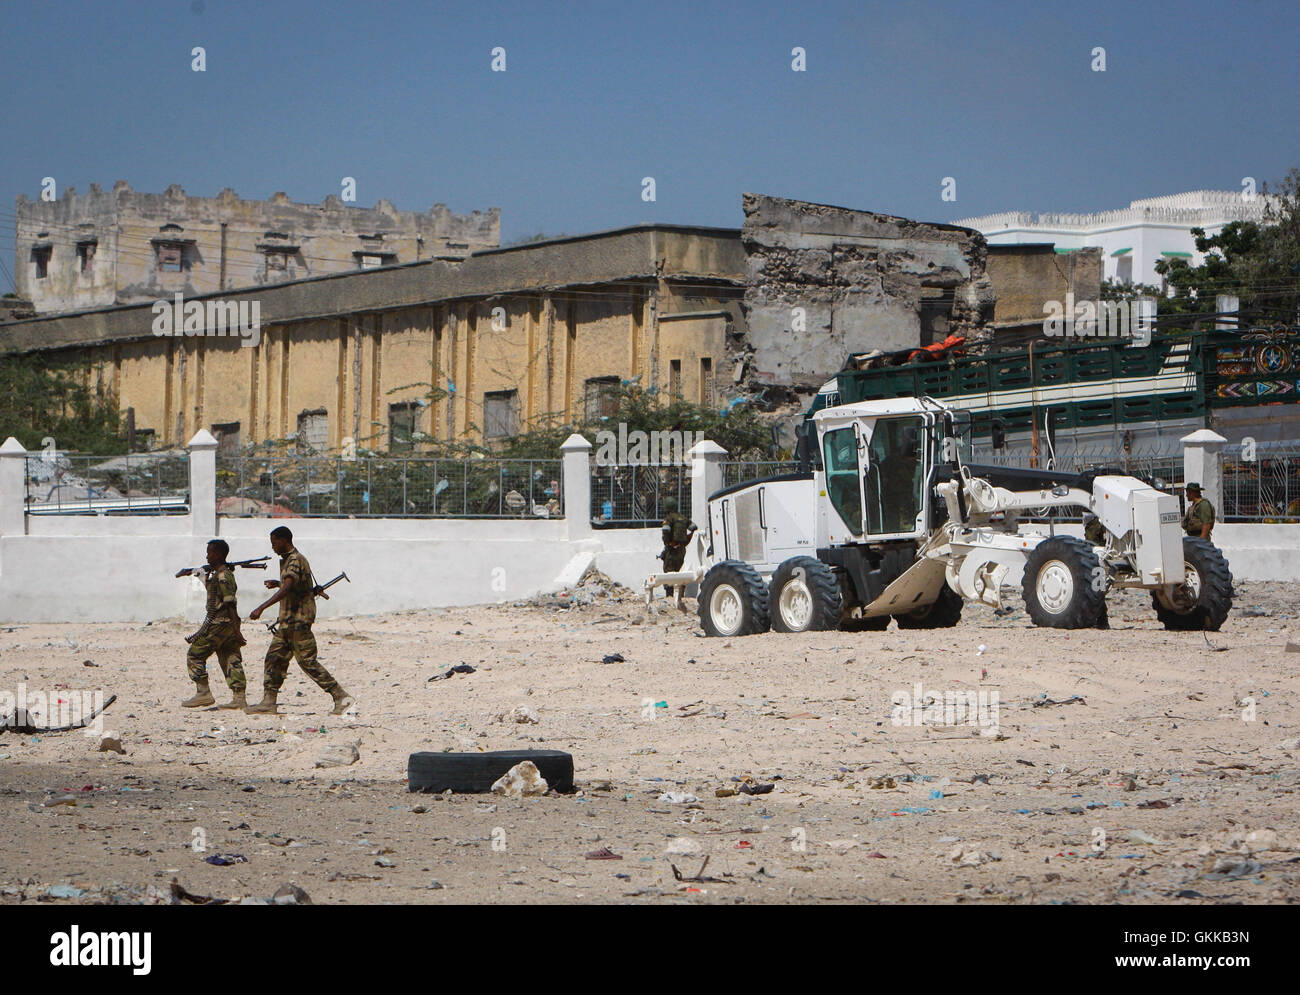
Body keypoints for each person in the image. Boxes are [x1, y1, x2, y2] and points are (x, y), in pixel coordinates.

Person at [246, 526, 353, 715]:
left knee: (307, 662)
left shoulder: (295, 560)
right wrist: (277, 583)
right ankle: (269, 701)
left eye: (274, 543)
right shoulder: (291, 560)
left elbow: (288, 587)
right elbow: (295, 586)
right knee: (274, 660)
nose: (273, 547)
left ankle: (341, 697)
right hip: (288, 621)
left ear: (284, 540)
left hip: (298, 621)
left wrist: (261, 607)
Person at [181, 539, 248, 709]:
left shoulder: (223, 575)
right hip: (226, 624)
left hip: (219, 623)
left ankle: (203, 693)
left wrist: (237, 630)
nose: (207, 555)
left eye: (210, 552)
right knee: (230, 657)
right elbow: (216, 596)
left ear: (218, 555)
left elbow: (230, 603)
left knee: (195, 654)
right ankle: (239, 697)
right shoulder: (221, 574)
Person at [659, 497, 697, 596]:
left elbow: (666, 530)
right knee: (680, 572)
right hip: (681, 550)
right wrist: (687, 540)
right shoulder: (683, 518)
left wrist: (668, 542)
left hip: (671, 551)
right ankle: (680, 595)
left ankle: (670, 596)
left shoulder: (669, 518)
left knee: (669, 573)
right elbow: (694, 528)